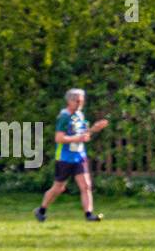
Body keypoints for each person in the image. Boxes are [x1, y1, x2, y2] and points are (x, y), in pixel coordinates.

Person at [35, 88, 106, 222]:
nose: (80, 104)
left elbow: (84, 133)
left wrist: (94, 129)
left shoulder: (80, 115)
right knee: (59, 188)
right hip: (64, 157)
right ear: (69, 101)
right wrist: (77, 139)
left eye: (81, 101)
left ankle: (89, 215)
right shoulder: (64, 117)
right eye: (77, 101)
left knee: (86, 185)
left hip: (79, 156)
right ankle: (41, 209)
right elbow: (59, 138)